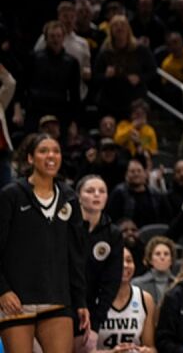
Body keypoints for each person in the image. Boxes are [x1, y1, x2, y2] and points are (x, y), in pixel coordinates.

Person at [0, 134, 90, 353]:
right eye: (43, 151)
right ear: (30, 158)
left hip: (57, 298)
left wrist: (80, 301)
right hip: (17, 301)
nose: (51, 156)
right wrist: (2, 290)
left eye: (56, 151)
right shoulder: (11, 195)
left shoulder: (69, 197)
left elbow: (75, 254)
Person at [78, 174, 124, 339]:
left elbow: (111, 283)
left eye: (102, 191)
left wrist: (96, 325)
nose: (96, 194)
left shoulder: (113, 234)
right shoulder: (65, 227)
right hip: (59, 307)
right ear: (79, 197)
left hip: (90, 312)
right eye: (90, 191)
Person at [92, 248, 155, 353]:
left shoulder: (145, 299)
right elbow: (80, 350)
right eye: (119, 261)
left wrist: (146, 351)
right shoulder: (92, 298)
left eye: (129, 260)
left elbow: (151, 347)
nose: (125, 265)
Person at [133, 236, 175, 306]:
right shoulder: (137, 284)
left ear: (171, 260)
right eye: (157, 254)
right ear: (150, 260)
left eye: (166, 254)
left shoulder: (178, 285)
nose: (162, 257)